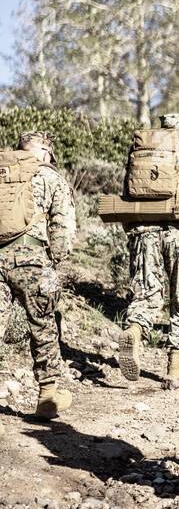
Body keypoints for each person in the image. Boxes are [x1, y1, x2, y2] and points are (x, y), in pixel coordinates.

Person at [118, 114, 179, 389]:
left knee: (146, 294)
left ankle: (135, 332)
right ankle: (173, 370)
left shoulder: (140, 156)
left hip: (144, 234)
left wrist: (133, 232)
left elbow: (126, 194)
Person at [0, 131, 76, 417]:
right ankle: (47, 397)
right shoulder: (50, 176)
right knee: (43, 325)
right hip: (33, 260)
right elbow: (63, 229)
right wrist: (57, 264)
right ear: (45, 151)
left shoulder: (3, 171)